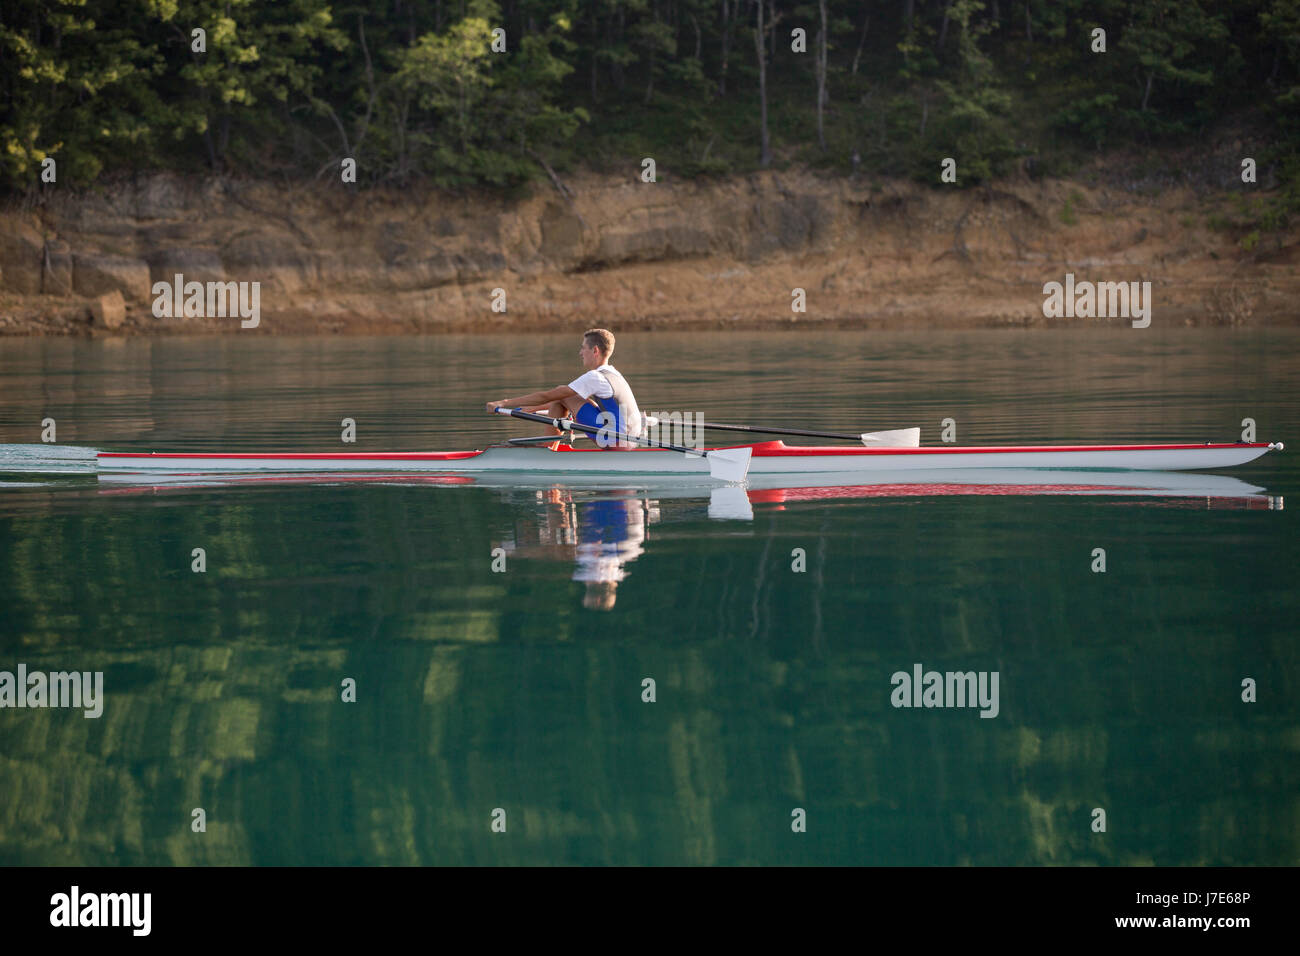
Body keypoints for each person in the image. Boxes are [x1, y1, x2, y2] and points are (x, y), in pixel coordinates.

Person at [485, 329, 643, 449]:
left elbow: (549, 395)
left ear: (595, 351)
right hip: (631, 438)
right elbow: (565, 399)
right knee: (572, 397)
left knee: (561, 392)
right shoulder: (614, 373)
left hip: (616, 440)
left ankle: (547, 450)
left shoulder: (595, 377)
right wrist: (531, 409)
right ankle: (548, 447)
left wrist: (504, 403)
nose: (580, 353)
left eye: (583, 348)